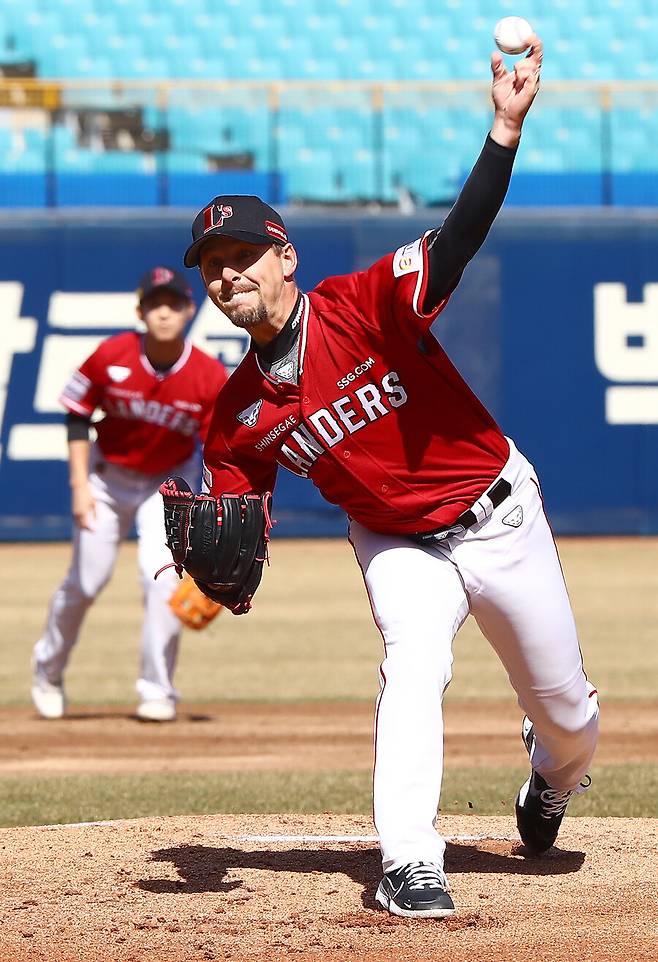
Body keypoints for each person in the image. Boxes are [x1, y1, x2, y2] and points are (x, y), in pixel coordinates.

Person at [181, 35, 599, 917]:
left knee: (570, 720)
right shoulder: (237, 414)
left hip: (497, 514)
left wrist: (503, 129)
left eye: (243, 257)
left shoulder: (365, 306)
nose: (228, 276)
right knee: (414, 662)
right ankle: (410, 861)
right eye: (213, 269)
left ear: (284, 257)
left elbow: (458, 239)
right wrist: (201, 585)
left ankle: (551, 774)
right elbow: (231, 508)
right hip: (395, 541)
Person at [31, 267, 227, 723]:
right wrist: (79, 487)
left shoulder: (206, 374)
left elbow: (217, 448)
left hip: (167, 483)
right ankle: (48, 671)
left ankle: (157, 690)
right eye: (155, 304)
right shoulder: (111, 355)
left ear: (189, 309)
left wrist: (209, 511)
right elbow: (78, 415)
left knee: (161, 580)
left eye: (173, 303)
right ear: (140, 311)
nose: (164, 312)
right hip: (106, 477)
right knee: (86, 583)